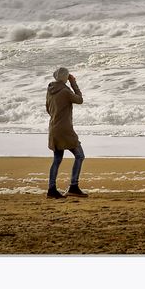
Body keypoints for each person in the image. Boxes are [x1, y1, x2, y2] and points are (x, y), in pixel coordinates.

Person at [45, 67, 88, 199]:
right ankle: (73, 186)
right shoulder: (65, 90)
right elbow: (80, 99)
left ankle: (51, 189)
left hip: (53, 128)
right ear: (65, 77)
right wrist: (73, 83)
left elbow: (48, 109)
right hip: (65, 129)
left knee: (57, 159)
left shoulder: (50, 90)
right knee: (80, 155)